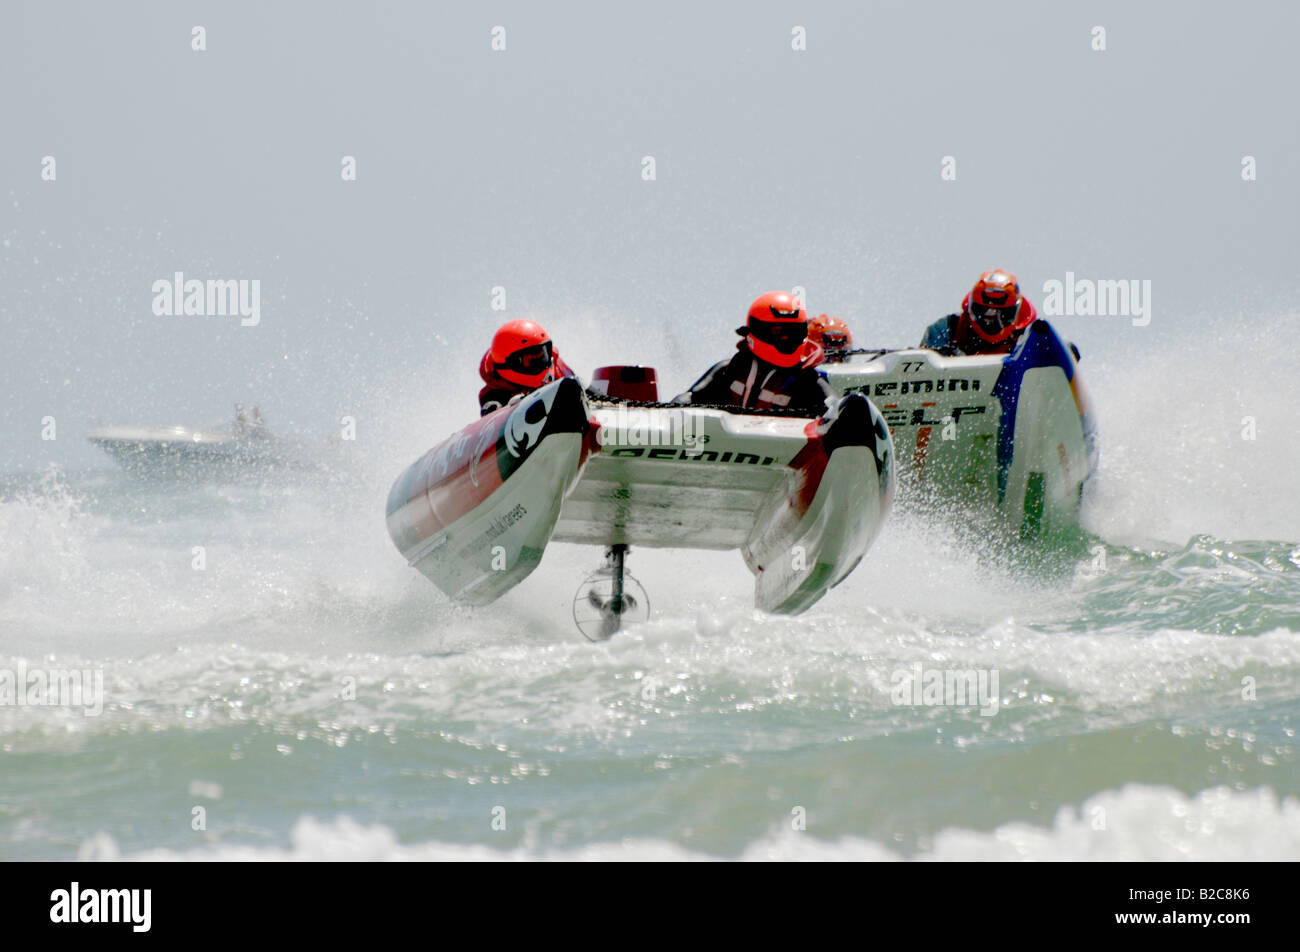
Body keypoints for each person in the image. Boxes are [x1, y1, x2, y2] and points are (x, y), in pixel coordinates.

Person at [674, 291, 837, 414]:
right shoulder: (730, 368)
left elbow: (835, 411)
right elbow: (689, 399)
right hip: (723, 448)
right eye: (778, 332)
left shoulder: (807, 380)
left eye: (792, 333)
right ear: (757, 330)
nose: (786, 339)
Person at [920, 269, 1038, 356]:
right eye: (984, 312)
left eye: (1002, 315)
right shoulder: (948, 329)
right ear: (972, 308)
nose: (991, 322)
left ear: (1015, 312)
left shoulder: (1030, 334)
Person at [478, 319, 576, 415]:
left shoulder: (556, 365)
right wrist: (498, 411)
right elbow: (492, 412)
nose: (541, 363)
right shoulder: (493, 393)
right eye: (532, 360)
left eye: (543, 355)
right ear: (513, 363)